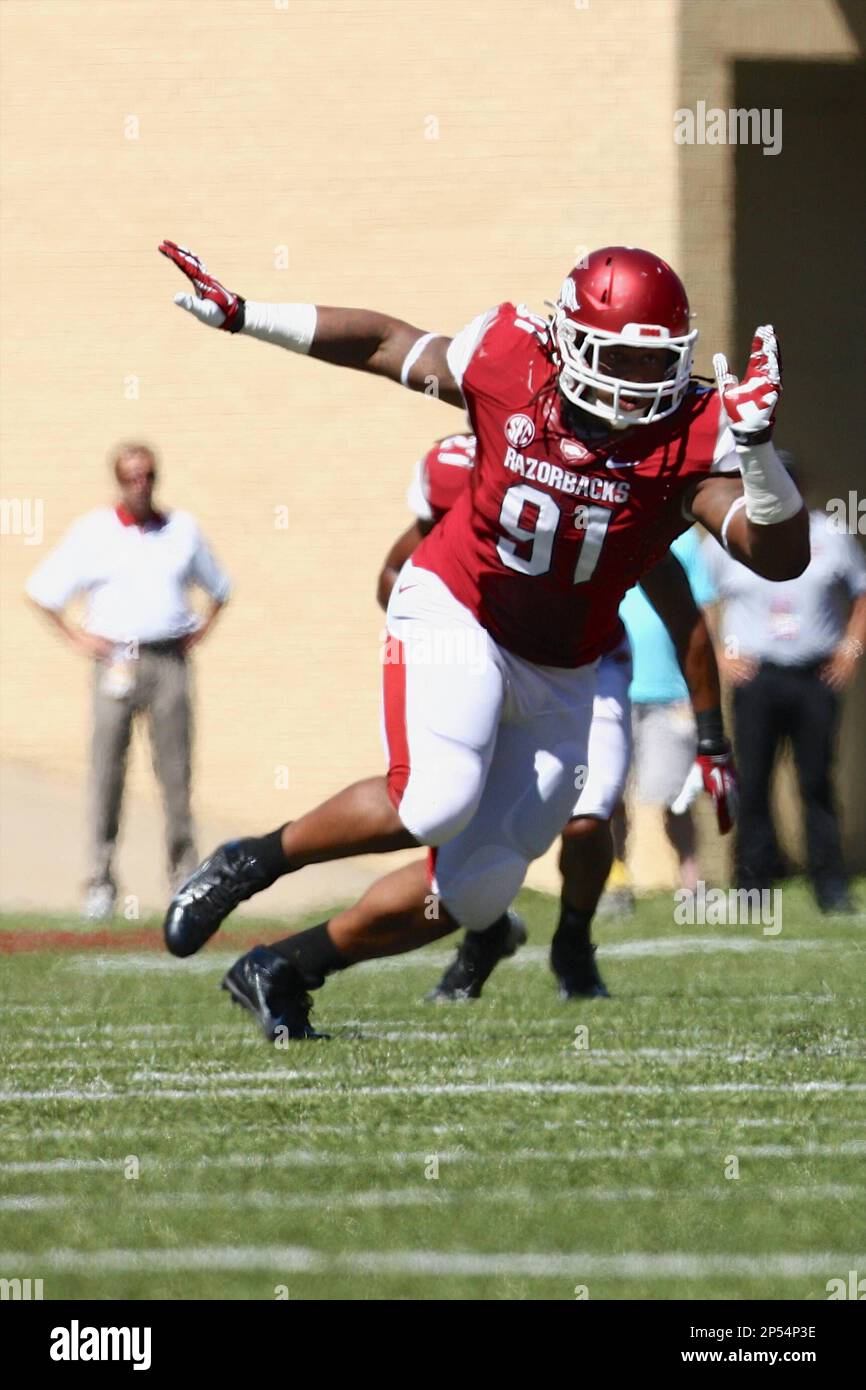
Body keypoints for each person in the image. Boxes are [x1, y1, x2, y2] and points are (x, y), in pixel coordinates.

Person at [157, 240, 808, 1042]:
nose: (639, 386)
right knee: (437, 797)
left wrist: (757, 451)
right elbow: (386, 343)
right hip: (459, 608)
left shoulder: (693, 430)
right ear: (568, 342)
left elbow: (780, 557)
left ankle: (284, 968)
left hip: (566, 666)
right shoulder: (509, 359)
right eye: (618, 359)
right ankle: (251, 860)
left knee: (476, 894)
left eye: (657, 364)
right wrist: (248, 315)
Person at [378, 433, 736, 1001]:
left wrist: (711, 736)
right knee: (462, 806)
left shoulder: (607, 498)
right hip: (487, 665)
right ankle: (483, 936)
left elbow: (684, 618)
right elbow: (393, 575)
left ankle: (572, 943)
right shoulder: (467, 475)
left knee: (589, 814)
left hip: (585, 669)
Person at [25, 443, 231, 919]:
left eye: (149, 476)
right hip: (115, 661)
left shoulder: (181, 530)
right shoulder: (93, 532)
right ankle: (100, 881)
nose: (141, 485)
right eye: (132, 477)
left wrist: (199, 632)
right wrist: (77, 638)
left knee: (176, 775)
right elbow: (42, 591)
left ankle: (185, 878)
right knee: (106, 772)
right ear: (118, 480)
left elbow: (220, 588)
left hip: (168, 661)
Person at [703, 457, 866, 913]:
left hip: (815, 676)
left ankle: (830, 885)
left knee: (816, 781)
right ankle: (754, 883)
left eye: (788, 482)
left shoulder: (831, 536)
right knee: (752, 781)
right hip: (758, 678)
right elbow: (704, 599)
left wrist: (850, 651)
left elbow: (861, 594)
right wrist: (722, 652)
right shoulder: (730, 538)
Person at [609, 525, 722, 902]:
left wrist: (697, 687)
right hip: (611, 685)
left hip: (670, 692)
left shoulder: (685, 541)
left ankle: (692, 883)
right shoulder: (607, 529)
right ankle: (614, 882)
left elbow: (704, 612)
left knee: (676, 796)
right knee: (607, 797)